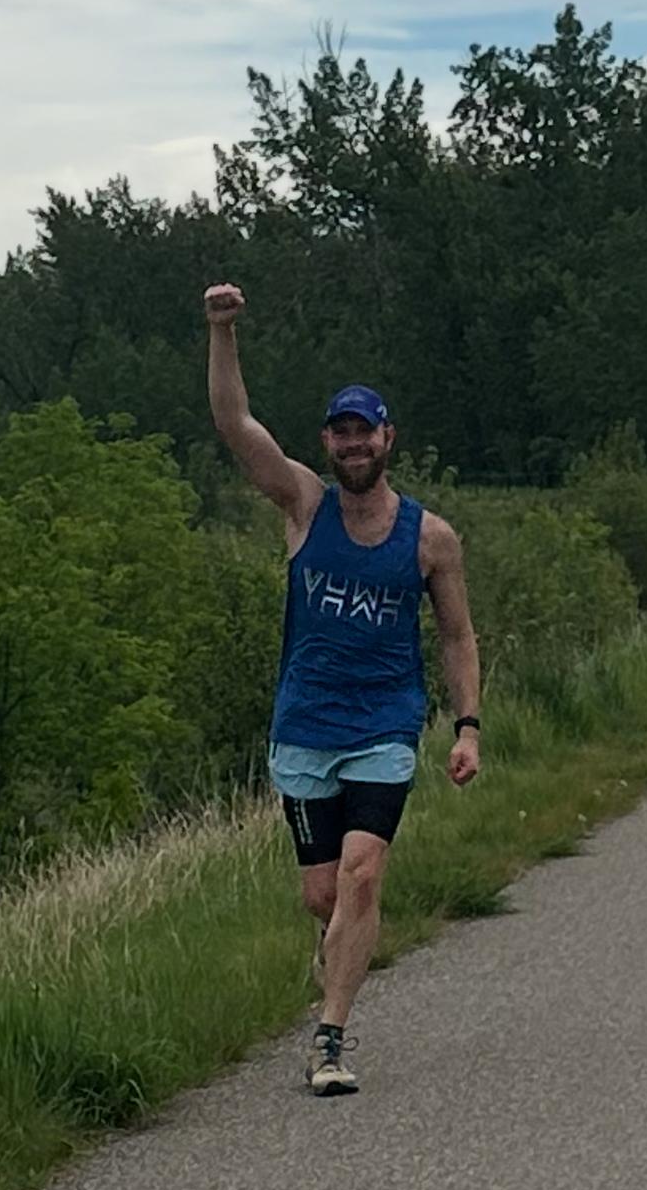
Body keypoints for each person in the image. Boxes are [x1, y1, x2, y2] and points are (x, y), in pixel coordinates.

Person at [205, 281, 481, 1096]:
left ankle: (330, 1038)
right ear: (327, 441)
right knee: (322, 893)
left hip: (385, 725)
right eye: (341, 432)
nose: (353, 444)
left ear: (388, 437)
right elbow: (234, 425)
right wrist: (222, 332)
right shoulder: (303, 504)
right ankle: (334, 953)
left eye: (365, 432)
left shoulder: (429, 538)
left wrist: (466, 727)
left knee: (362, 872)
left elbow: (458, 635)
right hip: (304, 727)